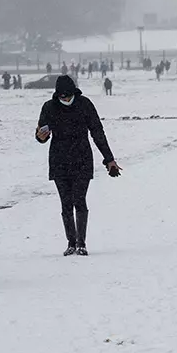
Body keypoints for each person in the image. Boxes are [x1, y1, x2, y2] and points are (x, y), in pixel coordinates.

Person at [35, 74, 123, 256]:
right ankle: (71, 243)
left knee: (79, 200)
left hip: (82, 158)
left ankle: (82, 243)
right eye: (61, 96)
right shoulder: (49, 107)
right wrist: (40, 137)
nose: (65, 99)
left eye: (68, 95)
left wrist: (109, 159)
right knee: (66, 203)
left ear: (74, 92)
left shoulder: (85, 104)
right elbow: (42, 134)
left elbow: (97, 133)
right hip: (59, 160)